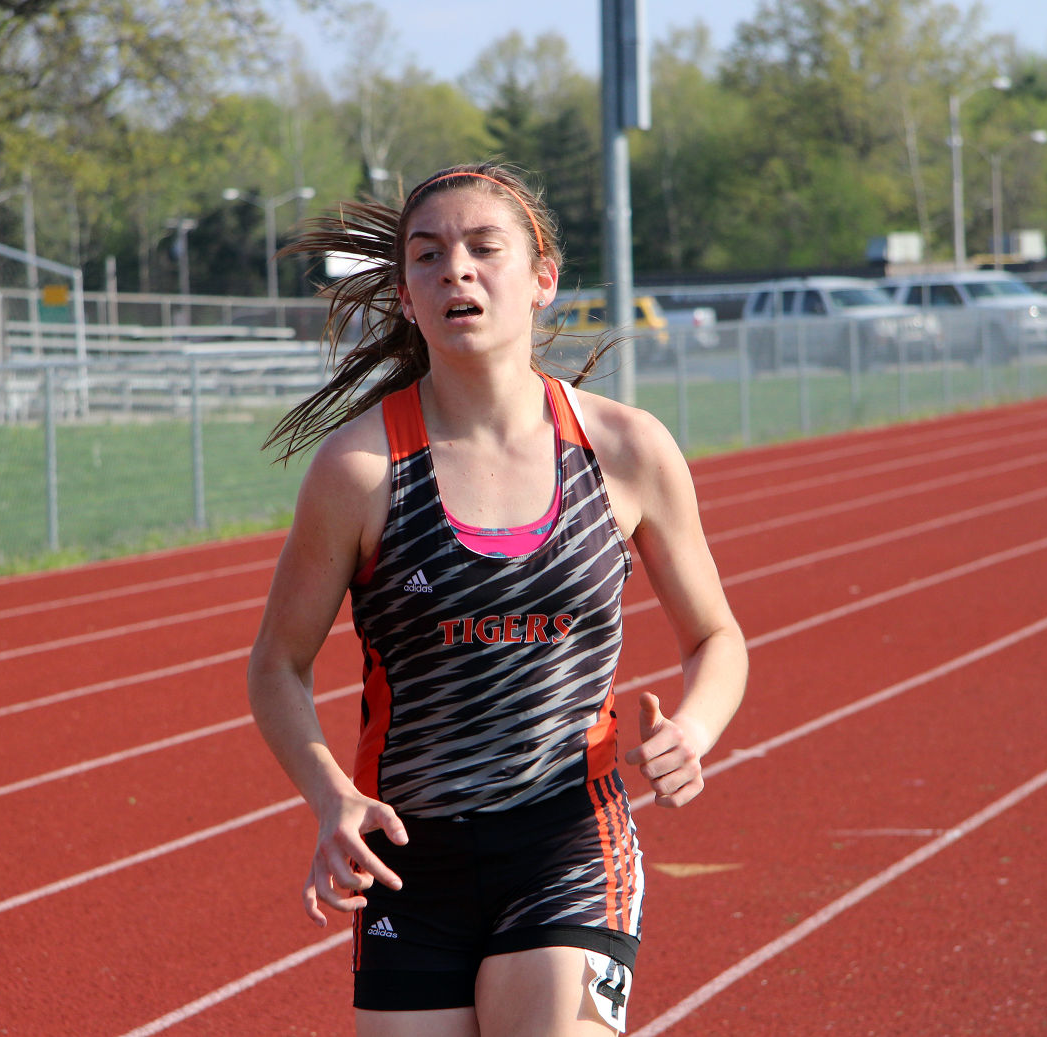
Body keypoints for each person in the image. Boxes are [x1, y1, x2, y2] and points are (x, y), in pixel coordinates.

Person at [247, 162, 747, 1037]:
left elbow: (716, 635)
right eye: (429, 256)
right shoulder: (359, 469)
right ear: (406, 292)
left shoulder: (626, 447)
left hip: (568, 840)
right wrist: (331, 798)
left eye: (485, 249)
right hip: (412, 858)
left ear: (542, 278)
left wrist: (692, 733)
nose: (457, 273)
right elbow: (277, 665)